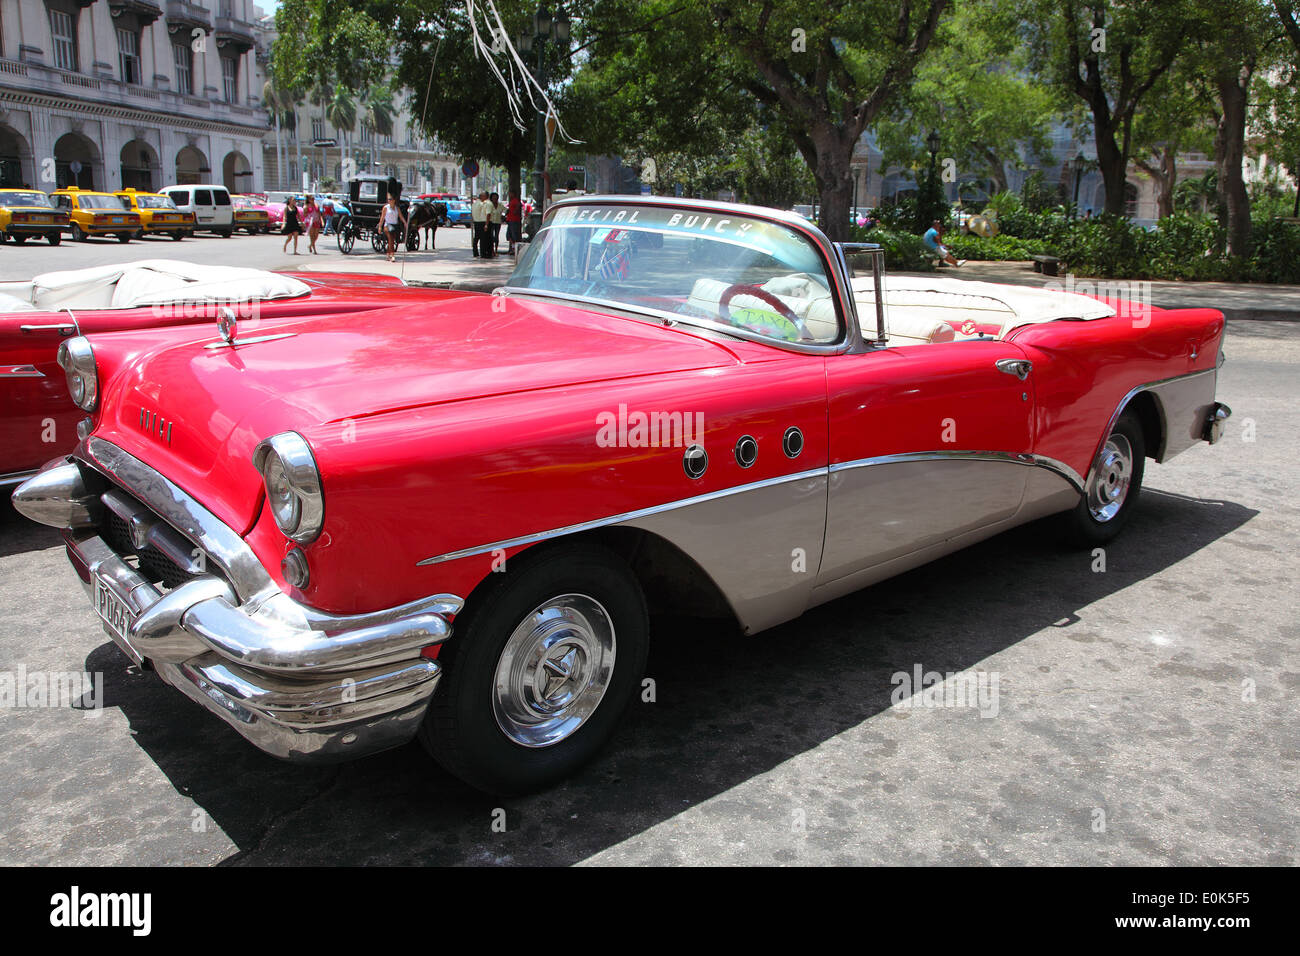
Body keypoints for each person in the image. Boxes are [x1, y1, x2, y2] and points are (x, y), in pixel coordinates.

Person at [381, 192, 407, 263]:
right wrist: (380, 226)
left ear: (394, 200)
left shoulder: (397, 208)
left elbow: (400, 216)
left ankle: (388, 254)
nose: (389, 201)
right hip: (387, 225)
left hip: (394, 225)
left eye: (391, 199)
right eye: (388, 199)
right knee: (391, 239)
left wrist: (405, 223)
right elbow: (382, 218)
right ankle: (392, 255)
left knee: (391, 241)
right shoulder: (385, 208)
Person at [471, 190, 491, 258]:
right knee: (483, 239)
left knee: (476, 238)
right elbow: (488, 214)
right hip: (482, 222)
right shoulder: (483, 204)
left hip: (476, 222)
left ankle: (475, 252)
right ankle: (483, 253)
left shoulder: (474, 204)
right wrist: (486, 224)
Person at [505, 189, 523, 255]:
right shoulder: (512, 201)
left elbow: (519, 204)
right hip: (510, 220)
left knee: (514, 235)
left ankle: (515, 249)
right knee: (509, 235)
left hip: (514, 220)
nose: (509, 195)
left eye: (510, 193)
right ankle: (512, 248)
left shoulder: (515, 200)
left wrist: (515, 211)